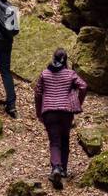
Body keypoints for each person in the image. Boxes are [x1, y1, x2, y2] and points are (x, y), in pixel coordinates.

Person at [34, 47, 87, 188]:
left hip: (49, 112)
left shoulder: (44, 74)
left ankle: (56, 167)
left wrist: (39, 112)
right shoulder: (70, 74)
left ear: (53, 58)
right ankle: (63, 169)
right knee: (65, 138)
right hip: (66, 112)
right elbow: (83, 86)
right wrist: (78, 102)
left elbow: (38, 93)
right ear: (66, 59)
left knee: (55, 141)